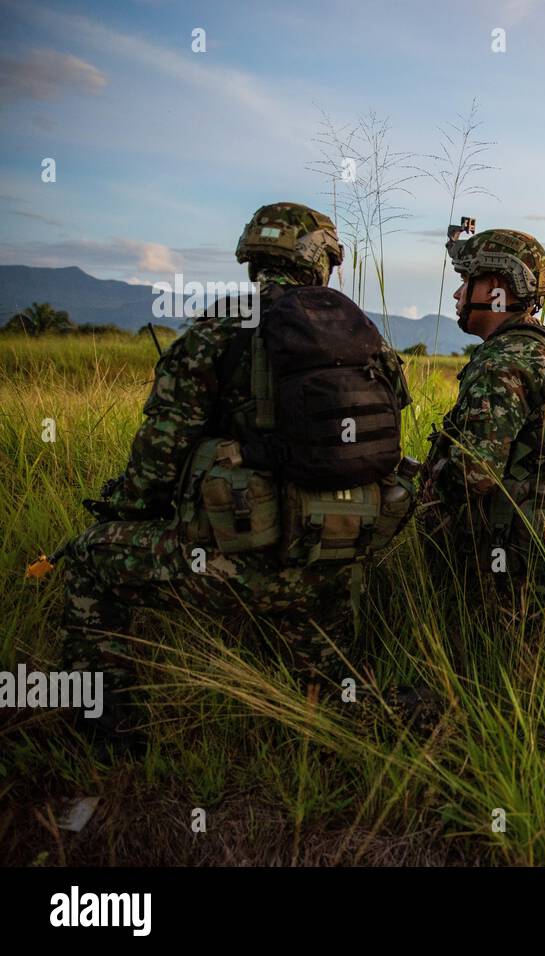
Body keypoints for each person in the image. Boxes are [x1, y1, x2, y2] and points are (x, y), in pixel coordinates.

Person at [59, 202, 417, 738]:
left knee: (90, 558)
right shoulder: (363, 335)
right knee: (333, 695)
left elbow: (159, 455)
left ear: (253, 258)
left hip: (238, 565)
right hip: (334, 567)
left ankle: (102, 726)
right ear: (322, 262)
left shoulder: (219, 328)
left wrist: (132, 511)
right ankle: (398, 716)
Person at [418, 221, 545, 614]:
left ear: (496, 289)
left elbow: (475, 474)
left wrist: (427, 485)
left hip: (522, 557)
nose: (457, 293)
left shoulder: (503, 362)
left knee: (514, 666)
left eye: (467, 280)